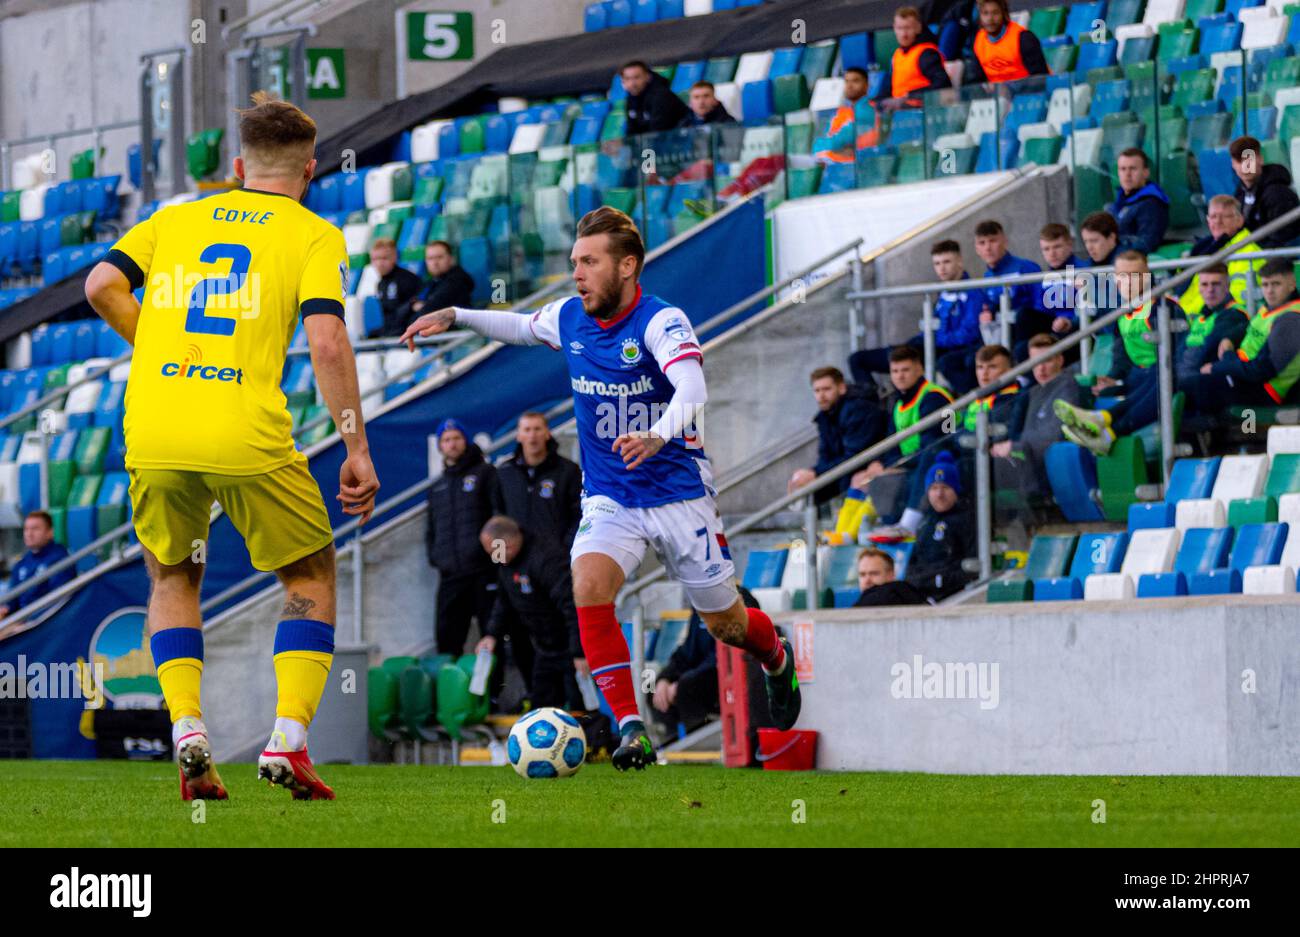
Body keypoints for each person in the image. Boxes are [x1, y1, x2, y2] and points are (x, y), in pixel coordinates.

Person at [400, 206, 800, 771]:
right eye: (574, 262)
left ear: (628, 266)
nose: (577, 273)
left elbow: (691, 384)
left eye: (589, 262)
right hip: (611, 496)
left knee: (727, 624)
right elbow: (518, 326)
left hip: (680, 495)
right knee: (588, 587)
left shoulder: (662, 322)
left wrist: (660, 435)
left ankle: (776, 657)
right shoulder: (569, 318)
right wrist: (457, 315)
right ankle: (631, 728)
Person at [83, 92, 380, 802]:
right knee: (308, 576)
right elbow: (328, 339)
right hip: (242, 427)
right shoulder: (312, 234)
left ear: (240, 164)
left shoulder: (174, 217)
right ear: (309, 169)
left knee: (173, 577)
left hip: (155, 424)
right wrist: (354, 446)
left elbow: (100, 285)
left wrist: (159, 349)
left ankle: (188, 729)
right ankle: (287, 739)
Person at [1054, 251, 1187, 456]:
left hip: (1163, 376)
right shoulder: (1122, 312)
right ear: (1116, 279)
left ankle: (1106, 426)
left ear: (1147, 276)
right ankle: (1088, 431)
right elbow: (1121, 356)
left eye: (1136, 275)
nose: (1130, 282)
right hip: (1138, 377)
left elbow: (1177, 356)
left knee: (1158, 376)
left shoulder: (1164, 308)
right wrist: (1112, 378)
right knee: (1097, 391)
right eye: (1123, 276)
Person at [476, 516, 585, 711]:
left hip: (569, 648)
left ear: (507, 544)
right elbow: (504, 600)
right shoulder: (505, 565)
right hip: (544, 648)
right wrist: (491, 634)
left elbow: (572, 607)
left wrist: (579, 652)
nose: (492, 557)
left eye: (493, 551)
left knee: (580, 708)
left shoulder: (546, 559)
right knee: (541, 707)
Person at [848, 239, 984, 394]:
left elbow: (967, 335)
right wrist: (927, 337)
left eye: (946, 262)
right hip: (923, 345)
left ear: (959, 261)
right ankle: (870, 403)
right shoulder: (943, 292)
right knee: (857, 360)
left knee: (903, 367)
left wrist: (932, 338)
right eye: (937, 264)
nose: (942, 268)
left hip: (944, 350)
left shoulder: (974, 293)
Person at [1179, 259, 1300, 416]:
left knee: (1190, 387)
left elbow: (1261, 370)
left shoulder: (1291, 319)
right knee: (1183, 389)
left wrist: (1220, 365)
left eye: (1276, 284)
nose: (1269, 291)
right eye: (1265, 285)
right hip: (1245, 375)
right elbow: (1250, 327)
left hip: (1264, 390)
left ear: (1291, 284)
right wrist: (1229, 338)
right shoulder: (1272, 307)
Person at [858, 344, 955, 537]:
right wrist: (886, 464)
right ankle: (885, 526)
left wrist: (900, 464)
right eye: (895, 371)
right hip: (912, 461)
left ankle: (909, 523)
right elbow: (891, 443)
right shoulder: (899, 402)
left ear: (919, 369)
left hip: (942, 456)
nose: (900, 376)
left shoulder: (935, 396)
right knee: (875, 473)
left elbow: (937, 441)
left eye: (905, 370)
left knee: (929, 456)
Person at [426, 418, 501, 658]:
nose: (452, 444)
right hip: (451, 575)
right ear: (440, 446)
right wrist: (437, 558)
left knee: (494, 637)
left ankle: (496, 695)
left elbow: (500, 516)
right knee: (446, 638)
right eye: (446, 440)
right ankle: (453, 694)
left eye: (457, 438)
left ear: (466, 441)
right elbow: (431, 529)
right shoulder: (437, 486)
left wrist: (496, 559)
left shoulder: (486, 473)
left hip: (483, 571)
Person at [650, 585, 761, 737]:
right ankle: (672, 743)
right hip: (700, 674)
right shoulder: (699, 603)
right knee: (651, 687)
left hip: (732, 674)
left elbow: (729, 650)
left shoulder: (739, 598)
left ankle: (699, 742)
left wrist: (679, 683)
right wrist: (665, 678)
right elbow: (687, 651)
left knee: (687, 685)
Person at [994, 332, 1083, 499]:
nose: (1041, 368)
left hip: (1053, 464)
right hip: (1032, 461)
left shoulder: (1068, 387)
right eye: (1036, 362)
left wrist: (1014, 446)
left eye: (1047, 360)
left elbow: (1056, 433)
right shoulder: (1034, 392)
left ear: (1060, 360)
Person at [789, 366, 884, 507]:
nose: (821, 396)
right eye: (817, 390)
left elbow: (855, 456)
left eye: (827, 389)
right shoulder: (825, 417)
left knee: (843, 478)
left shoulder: (858, 409)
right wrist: (809, 474)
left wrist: (815, 473)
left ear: (841, 388)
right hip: (847, 470)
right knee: (810, 485)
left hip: (872, 466)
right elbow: (825, 456)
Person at [495, 411, 583, 546]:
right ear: (518, 436)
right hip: (517, 563)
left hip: (557, 562)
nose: (532, 435)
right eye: (527, 430)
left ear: (547, 433)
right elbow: (497, 519)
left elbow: (579, 514)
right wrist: (500, 558)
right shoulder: (504, 473)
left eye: (537, 429)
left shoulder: (568, 470)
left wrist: (566, 551)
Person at [904, 453, 976, 601]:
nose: (939, 494)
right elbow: (912, 565)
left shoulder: (969, 521)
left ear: (957, 490)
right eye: (933, 488)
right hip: (924, 596)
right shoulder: (925, 522)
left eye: (945, 487)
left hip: (956, 596)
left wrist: (939, 580)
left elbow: (971, 566)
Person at [1177, 196, 1263, 317]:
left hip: (1216, 318)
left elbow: (1239, 297)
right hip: (1192, 319)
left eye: (1225, 216)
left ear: (1240, 220)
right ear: (1208, 221)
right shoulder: (1205, 248)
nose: (1218, 221)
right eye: (1213, 217)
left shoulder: (1248, 252)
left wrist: (1203, 316)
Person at [974, 219, 1048, 359]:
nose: (988, 248)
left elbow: (1040, 306)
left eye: (993, 241)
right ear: (977, 249)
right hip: (1002, 334)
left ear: (1005, 242)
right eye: (982, 243)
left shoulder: (1025, 268)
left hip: (1029, 333)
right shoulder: (987, 277)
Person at [1176, 263, 1249, 385]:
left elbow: (1207, 354)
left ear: (1227, 286)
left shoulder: (1234, 314)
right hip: (1186, 377)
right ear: (1199, 288)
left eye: (1216, 284)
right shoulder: (1201, 317)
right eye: (1205, 284)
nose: (1210, 290)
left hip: (1205, 382)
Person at [1230, 135, 1300, 249]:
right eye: (1240, 161)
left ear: (1260, 159)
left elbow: (1283, 240)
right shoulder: (1240, 193)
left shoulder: (1277, 193)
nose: (1246, 166)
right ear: (1233, 164)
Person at [0, 511, 74, 619]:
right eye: (26, 529)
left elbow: (59, 603)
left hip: (43, 622)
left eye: (35, 529)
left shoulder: (60, 559)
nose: (29, 534)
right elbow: (12, 601)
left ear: (50, 532)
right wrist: (5, 609)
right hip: (20, 619)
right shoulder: (22, 562)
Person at [873, 7, 951, 106]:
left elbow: (943, 84)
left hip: (923, 110)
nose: (903, 34)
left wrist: (911, 96)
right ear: (894, 28)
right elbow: (889, 88)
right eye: (899, 28)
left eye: (907, 28)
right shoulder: (897, 55)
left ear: (918, 28)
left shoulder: (926, 53)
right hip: (901, 111)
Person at [967, 0, 1049, 84]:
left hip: (1029, 94)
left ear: (1004, 14)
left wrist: (1010, 89)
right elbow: (977, 79)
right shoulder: (978, 40)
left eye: (995, 13)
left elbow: (1040, 78)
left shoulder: (1024, 38)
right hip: (998, 95)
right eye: (985, 13)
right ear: (979, 16)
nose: (990, 19)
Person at [1108, 149, 1170, 255]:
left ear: (1146, 173)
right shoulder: (1117, 204)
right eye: (1123, 169)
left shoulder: (1151, 204)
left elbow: (1147, 244)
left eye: (1133, 169)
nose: (1127, 174)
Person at [814, 67, 876, 163]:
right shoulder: (842, 111)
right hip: (830, 160)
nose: (850, 85)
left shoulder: (867, 110)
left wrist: (832, 146)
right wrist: (835, 148)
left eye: (855, 81)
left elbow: (838, 141)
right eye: (847, 81)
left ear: (867, 85)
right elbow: (817, 144)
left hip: (855, 165)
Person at [367, 237, 423, 338]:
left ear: (394, 257)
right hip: (390, 331)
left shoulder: (408, 279)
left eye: (384, 258)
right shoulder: (380, 284)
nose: (380, 263)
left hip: (407, 332)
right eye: (375, 259)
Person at [1038, 222, 1085, 337]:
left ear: (1070, 245)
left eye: (1057, 247)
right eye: (1046, 249)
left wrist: (1069, 321)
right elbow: (1042, 311)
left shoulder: (1084, 270)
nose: (1052, 254)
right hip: (1052, 327)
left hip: (1076, 329)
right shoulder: (1042, 278)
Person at [409, 240, 475, 320]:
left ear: (451, 258)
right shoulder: (431, 281)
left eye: (439, 257)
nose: (435, 263)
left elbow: (429, 309)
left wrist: (421, 305)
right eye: (430, 258)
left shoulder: (458, 280)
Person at [621, 60, 690, 135]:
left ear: (647, 77)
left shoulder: (661, 96)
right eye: (627, 79)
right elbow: (632, 131)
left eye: (636, 77)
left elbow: (658, 131)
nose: (632, 83)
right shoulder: (631, 99)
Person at [852, 547, 928, 607]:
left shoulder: (887, 597)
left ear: (891, 575)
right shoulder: (910, 594)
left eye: (874, 573)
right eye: (862, 575)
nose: (867, 580)